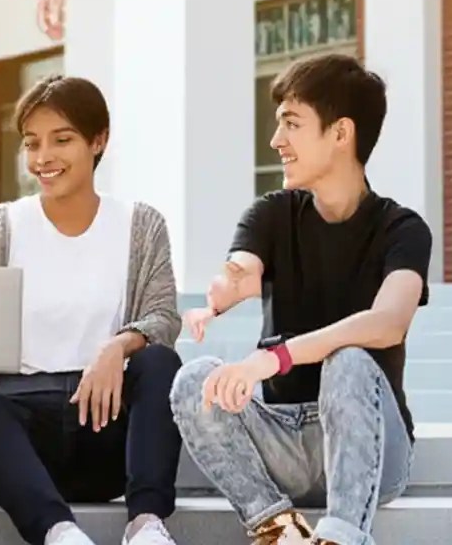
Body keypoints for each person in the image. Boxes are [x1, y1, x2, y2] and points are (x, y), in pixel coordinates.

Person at [169, 54, 432, 545]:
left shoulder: (403, 229)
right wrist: (225, 289)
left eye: (292, 124)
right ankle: (277, 528)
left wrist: (277, 356)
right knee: (193, 379)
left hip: (369, 446)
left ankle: (342, 536)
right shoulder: (271, 214)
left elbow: (388, 323)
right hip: (283, 437)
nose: (276, 141)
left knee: (350, 360)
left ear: (340, 133)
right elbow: (245, 269)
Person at [0, 75, 185, 545]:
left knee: (162, 363)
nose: (43, 158)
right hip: (19, 437)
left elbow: (163, 316)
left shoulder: (140, 224)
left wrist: (117, 347)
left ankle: (146, 526)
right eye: (32, 144)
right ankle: (60, 535)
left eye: (62, 140)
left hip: (104, 430)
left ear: (98, 141)